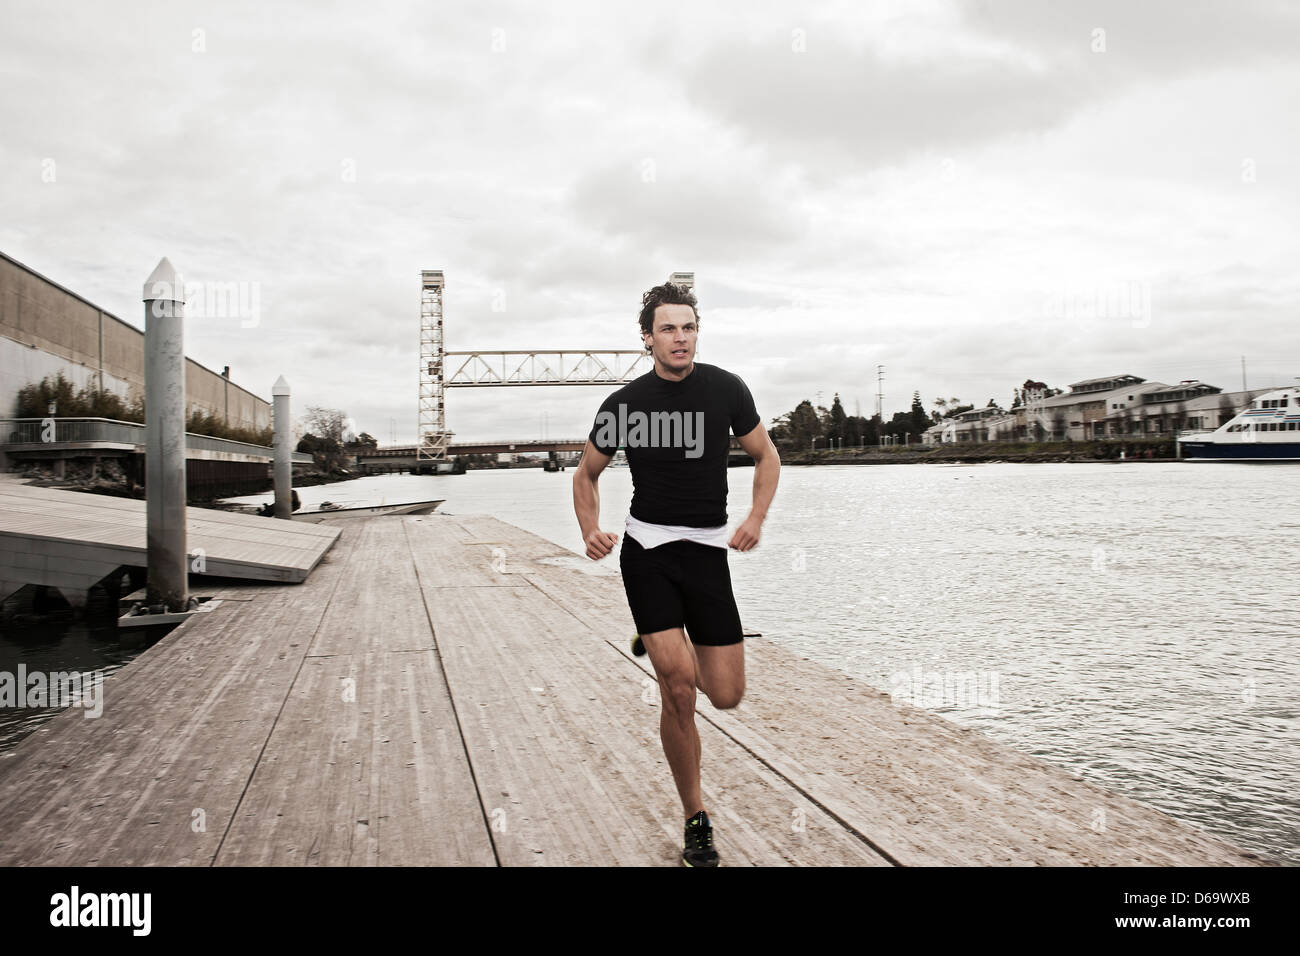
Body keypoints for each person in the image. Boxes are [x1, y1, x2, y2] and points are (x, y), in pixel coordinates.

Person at [572, 280, 780, 866]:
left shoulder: (726, 389)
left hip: (709, 555)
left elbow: (767, 457)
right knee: (678, 686)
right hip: (650, 552)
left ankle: (662, 637)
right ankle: (696, 817)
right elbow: (584, 475)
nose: (680, 337)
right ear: (647, 338)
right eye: (668, 328)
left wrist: (756, 517)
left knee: (727, 695)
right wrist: (591, 530)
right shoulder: (624, 405)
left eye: (688, 327)